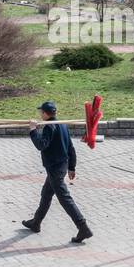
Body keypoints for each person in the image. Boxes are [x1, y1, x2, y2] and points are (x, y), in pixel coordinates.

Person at [22, 101, 93, 243]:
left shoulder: (49, 127)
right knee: (46, 194)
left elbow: (41, 145)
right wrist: (72, 167)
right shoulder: (62, 124)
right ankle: (36, 222)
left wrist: (33, 130)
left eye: (41, 112)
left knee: (65, 199)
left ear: (45, 114)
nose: (40, 114)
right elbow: (70, 147)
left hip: (55, 168)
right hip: (61, 165)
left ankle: (83, 227)